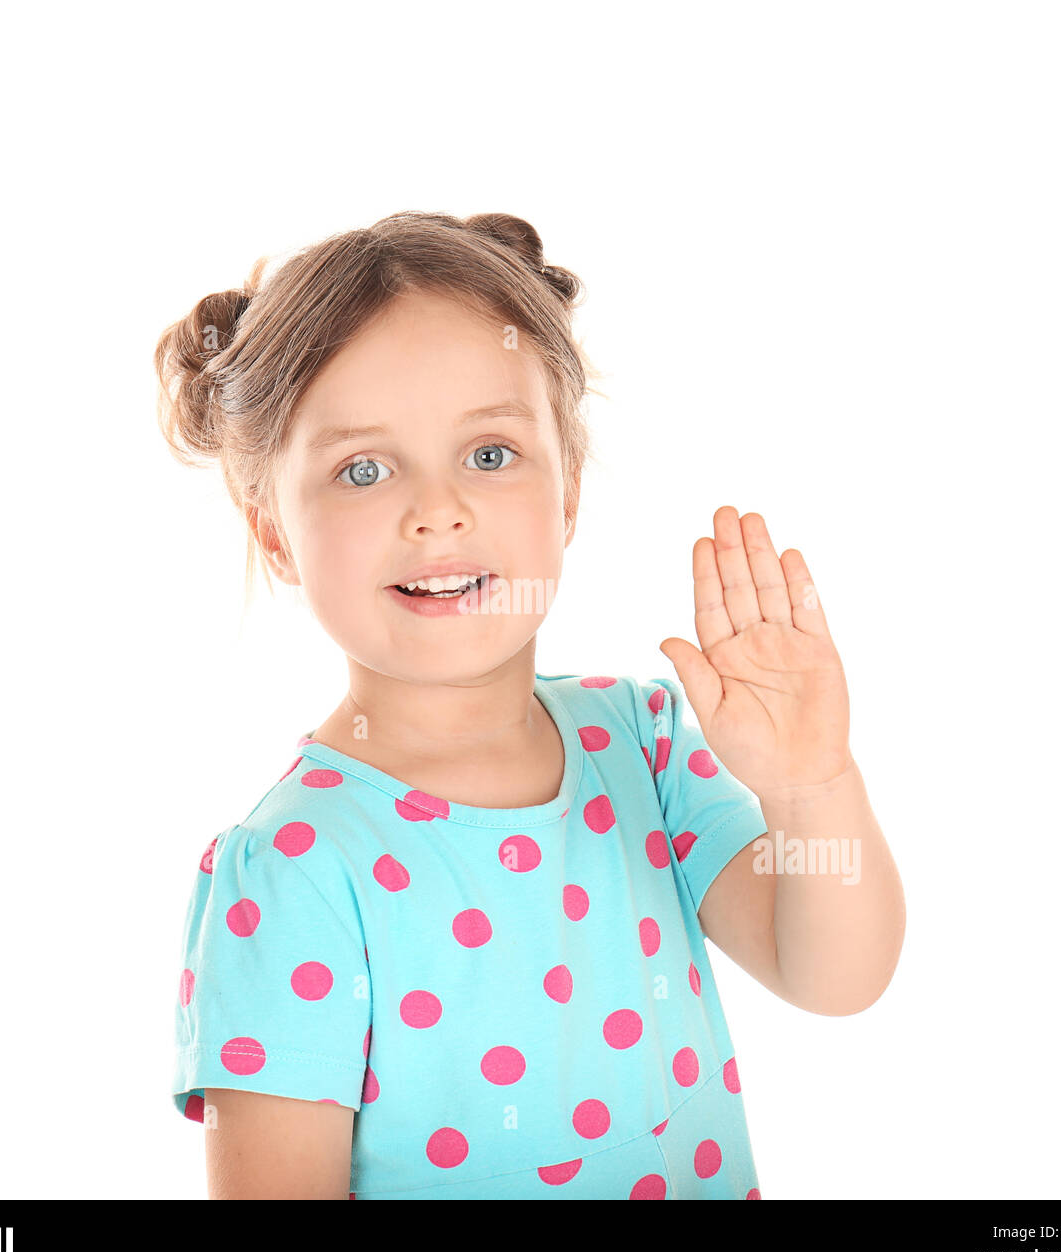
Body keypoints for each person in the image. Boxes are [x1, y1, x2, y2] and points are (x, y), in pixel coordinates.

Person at [156, 210, 906, 1199]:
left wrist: (812, 787)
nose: (438, 510)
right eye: (363, 469)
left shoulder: (639, 746)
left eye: (490, 454)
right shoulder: (293, 870)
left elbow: (836, 976)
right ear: (275, 536)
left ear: (569, 493)